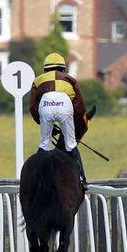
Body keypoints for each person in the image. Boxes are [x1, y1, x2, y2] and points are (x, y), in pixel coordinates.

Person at [28, 52, 88, 190]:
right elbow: (80, 106)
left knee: (44, 144)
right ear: (63, 69)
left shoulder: (38, 80)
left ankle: (35, 176)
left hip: (45, 105)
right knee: (70, 145)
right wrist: (75, 122)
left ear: (45, 69)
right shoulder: (70, 79)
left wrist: (41, 121)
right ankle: (82, 178)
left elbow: (33, 106)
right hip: (65, 104)